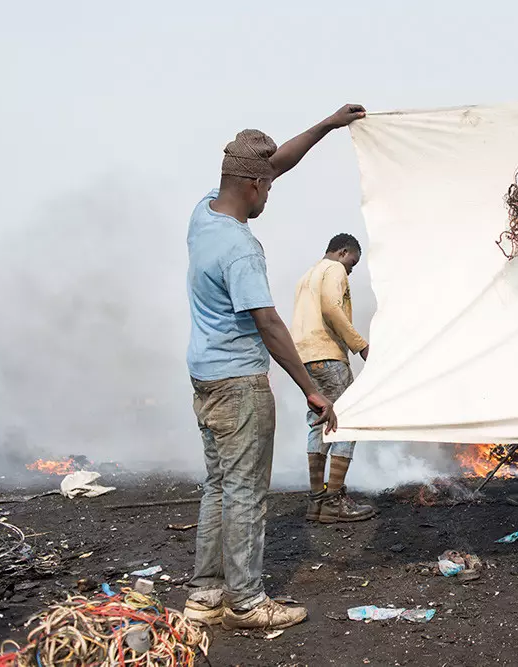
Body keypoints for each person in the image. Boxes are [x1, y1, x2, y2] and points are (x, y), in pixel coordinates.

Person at [183, 104, 365, 632]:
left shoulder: (205, 214)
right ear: (250, 184)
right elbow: (268, 322)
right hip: (240, 383)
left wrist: (326, 127)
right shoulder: (240, 249)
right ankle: (245, 602)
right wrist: (311, 389)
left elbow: (271, 163)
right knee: (244, 491)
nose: (270, 192)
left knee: (218, 485)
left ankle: (206, 596)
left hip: (206, 376)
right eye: (266, 186)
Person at [291, 233, 376, 523]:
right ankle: (335, 501)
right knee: (346, 421)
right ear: (342, 252)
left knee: (318, 425)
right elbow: (331, 307)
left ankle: (316, 503)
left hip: (305, 359)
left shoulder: (307, 275)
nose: (350, 270)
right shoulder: (334, 269)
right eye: (352, 264)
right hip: (328, 355)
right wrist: (360, 345)